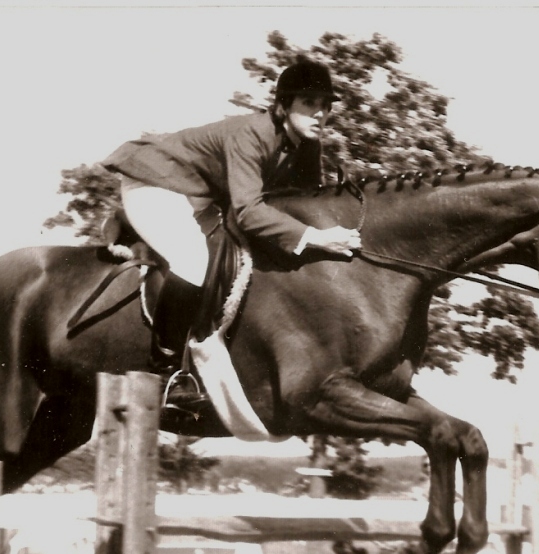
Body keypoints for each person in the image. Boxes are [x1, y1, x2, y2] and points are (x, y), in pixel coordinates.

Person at [100, 60, 361, 407]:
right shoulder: (251, 133)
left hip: (194, 191)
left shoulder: (307, 145)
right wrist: (316, 237)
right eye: (310, 103)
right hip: (155, 182)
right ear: (283, 106)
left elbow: (299, 203)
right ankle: (164, 372)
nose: (321, 114)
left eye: (326, 106)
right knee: (194, 261)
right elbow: (249, 211)